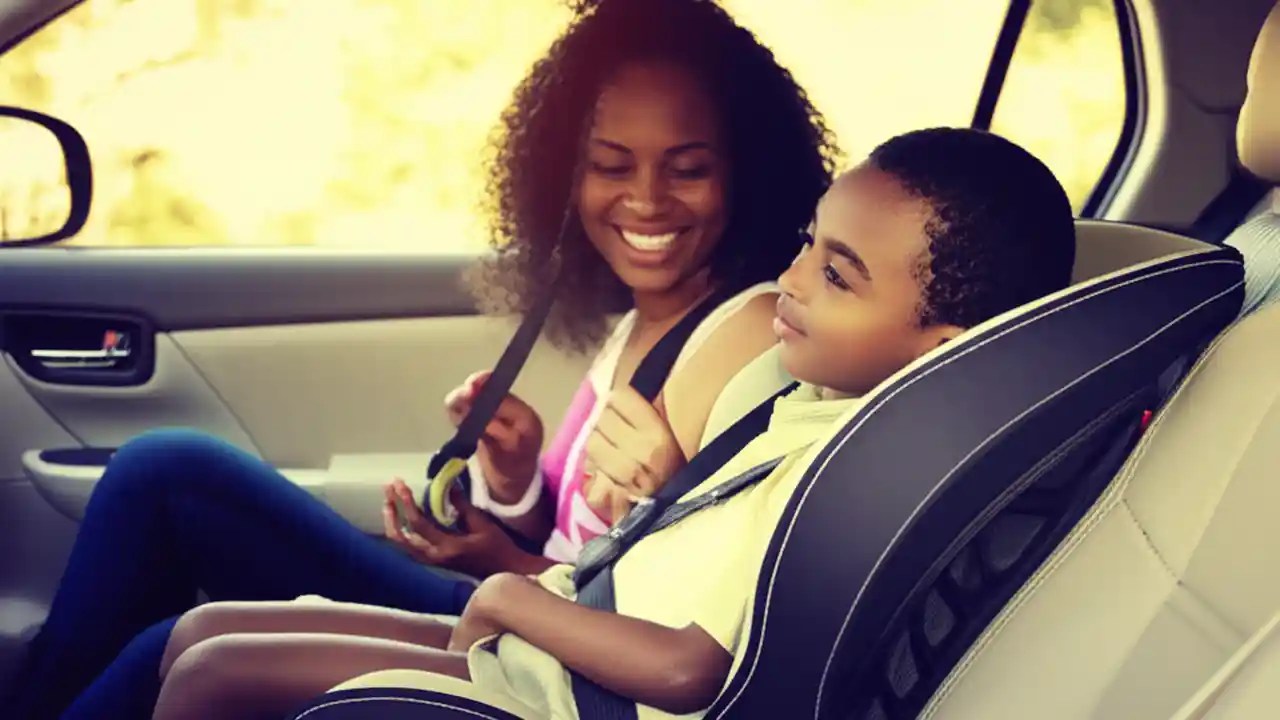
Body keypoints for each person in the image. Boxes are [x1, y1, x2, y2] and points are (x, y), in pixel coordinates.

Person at [6, 1, 838, 718]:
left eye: (688, 170)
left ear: (750, 174)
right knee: (175, 607)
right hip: (523, 608)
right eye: (610, 166)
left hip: (538, 643)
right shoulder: (646, 320)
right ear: (563, 173)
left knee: (166, 481)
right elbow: (583, 537)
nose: (647, 200)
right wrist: (513, 481)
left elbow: (669, 605)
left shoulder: (741, 334)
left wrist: (500, 563)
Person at [146, 127, 1079, 720]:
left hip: (577, 695)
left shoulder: (850, 470)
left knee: (211, 676)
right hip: (561, 637)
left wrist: (507, 595)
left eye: (836, 275)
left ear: (937, 349)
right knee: (205, 635)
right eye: (808, 243)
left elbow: (691, 672)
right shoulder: (801, 401)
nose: (791, 280)